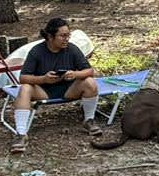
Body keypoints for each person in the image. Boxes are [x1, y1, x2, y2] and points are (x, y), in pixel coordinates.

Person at [11, 17, 100, 154]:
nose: (66, 39)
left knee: (89, 82)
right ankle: (21, 134)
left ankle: (89, 120)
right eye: (62, 36)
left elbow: (89, 71)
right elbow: (23, 78)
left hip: (69, 89)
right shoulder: (37, 51)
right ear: (50, 36)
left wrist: (75, 74)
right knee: (25, 88)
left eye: (68, 35)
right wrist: (43, 79)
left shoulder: (72, 49)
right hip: (43, 90)